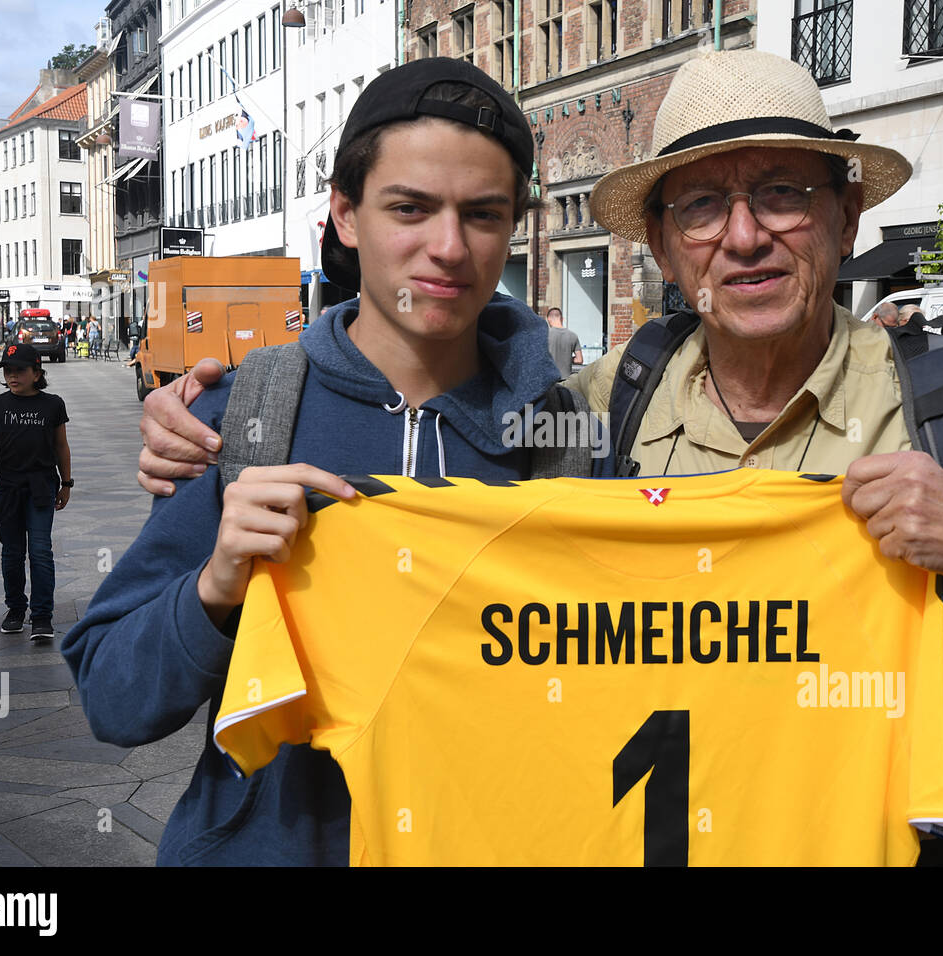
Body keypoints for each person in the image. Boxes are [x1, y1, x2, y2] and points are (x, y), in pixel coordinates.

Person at [135, 50, 943, 866]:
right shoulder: (588, 412)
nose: (743, 236)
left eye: (782, 194)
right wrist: (218, 424)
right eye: (701, 205)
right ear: (662, 247)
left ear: (845, 214)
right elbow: (444, 465)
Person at [62, 57, 603, 866]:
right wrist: (212, 588)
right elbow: (113, 701)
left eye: (483, 214)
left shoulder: (571, 441)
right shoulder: (236, 420)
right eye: (410, 208)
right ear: (346, 216)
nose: (448, 248)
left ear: (515, 226)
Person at [0, 344, 72, 640]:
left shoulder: (53, 404)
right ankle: (16, 608)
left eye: (20, 370)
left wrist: (66, 483)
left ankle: (42, 616)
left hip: (42, 487)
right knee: (12, 552)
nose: (12, 375)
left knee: (41, 551)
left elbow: (61, 446)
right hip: (6, 488)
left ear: (37, 373)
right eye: (8, 370)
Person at [544, 306, 582, 377]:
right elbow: (579, 360)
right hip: (566, 379)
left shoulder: (545, 335)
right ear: (562, 319)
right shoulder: (573, 335)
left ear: (548, 319)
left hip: (550, 379)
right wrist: (568, 358)